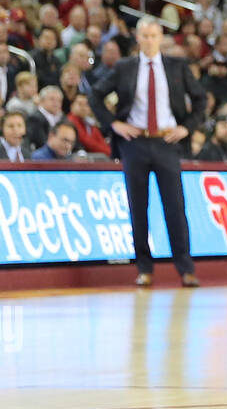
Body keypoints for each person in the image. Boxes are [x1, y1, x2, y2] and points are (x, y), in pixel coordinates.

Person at [87, 15, 206, 288]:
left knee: (175, 207)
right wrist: (114, 124)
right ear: (138, 38)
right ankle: (144, 268)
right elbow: (95, 95)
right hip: (135, 143)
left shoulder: (177, 66)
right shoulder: (124, 67)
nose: (150, 41)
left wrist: (187, 127)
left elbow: (200, 99)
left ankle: (186, 268)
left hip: (167, 142)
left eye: (154, 35)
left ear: (161, 37)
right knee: (137, 208)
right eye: (145, 36)